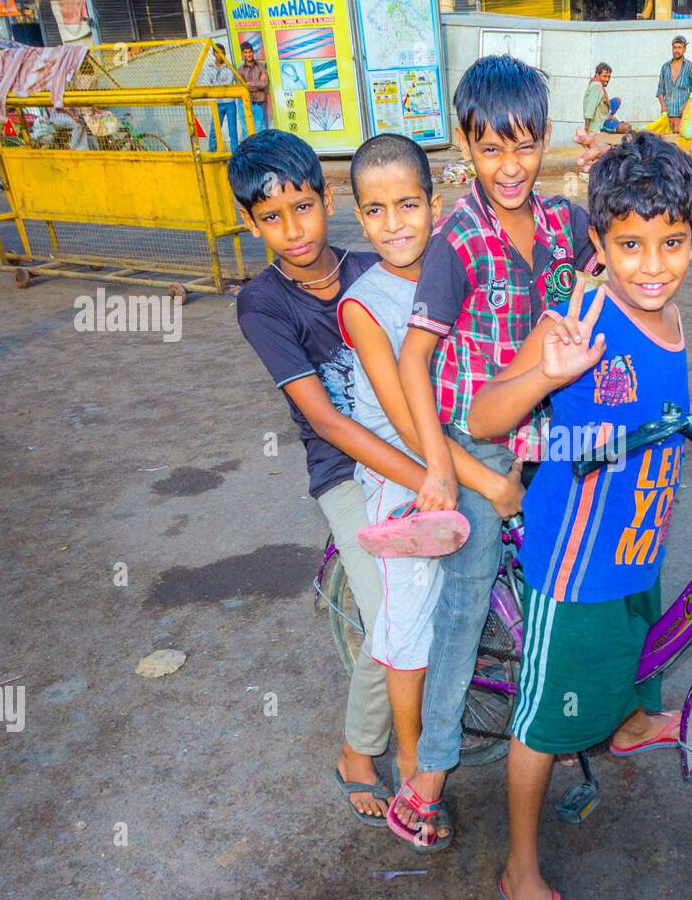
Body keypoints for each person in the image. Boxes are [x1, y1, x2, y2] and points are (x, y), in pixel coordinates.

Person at [466, 132, 692, 900]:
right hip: (576, 563)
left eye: (672, 243)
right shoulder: (582, 313)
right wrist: (547, 376)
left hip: (639, 543)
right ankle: (521, 869)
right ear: (600, 244)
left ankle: (625, 721)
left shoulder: (671, 312)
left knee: (637, 647)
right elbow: (486, 415)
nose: (652, 264)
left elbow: (656, 405)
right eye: (630, 244)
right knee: (543, 726)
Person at [394, 54, 600, 847]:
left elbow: (600, 293)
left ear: (545, 139)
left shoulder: (564, 223)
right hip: (470, 437)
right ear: (465, 144)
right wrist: (443, 468)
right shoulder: (457, 241)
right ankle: (430, 774)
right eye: (491, 149)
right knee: (465, 601)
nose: (509, 167)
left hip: (544, 435)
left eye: (524, 147)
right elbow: (414, 361)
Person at [233, 129, 433, 826]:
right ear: (249, 222)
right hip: (345, 470)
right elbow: (328, 421)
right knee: (392, 616)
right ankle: (358, 751)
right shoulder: (263, 303)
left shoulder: (369, 266)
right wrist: (432, 473)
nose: (293, 230)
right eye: (271, 217)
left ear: (328, 201)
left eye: (304, 207)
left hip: (413, 442)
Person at [336, 133, 525, 848]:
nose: (396, 224)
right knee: (411, 619)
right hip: (403, 472)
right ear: (359, 216)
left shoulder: (454, 259)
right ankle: (414, 762)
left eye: (409, 205)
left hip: (465, 447)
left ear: (434, 204)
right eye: (377, 211)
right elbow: (412, 425)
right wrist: (483, 481)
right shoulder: (364, 305)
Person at [656, 35, 692, 132]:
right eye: (674, 47)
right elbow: (660, 90)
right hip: (667, 114)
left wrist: (686, 105)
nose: (676, 50)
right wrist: (663, 106)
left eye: (679, 48)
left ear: (684, 49)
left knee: (679, 142)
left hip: (683, 115)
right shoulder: (665, 67)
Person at [582, 62, 629, 135]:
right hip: (600, 123)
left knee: (617, 100)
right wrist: (587, 129)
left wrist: (609, 115)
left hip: (603, 112)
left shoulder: (597, 84)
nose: (607, 79)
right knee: (626, 128)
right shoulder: (597, 86)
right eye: (604, 76)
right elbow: (589, 110)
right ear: (597, 75)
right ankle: (610, 125)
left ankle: (611, 117)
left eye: (609, 77)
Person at [240, 41, 269, 134]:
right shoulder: (240, 69)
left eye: (250, 52)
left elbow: (264, 84)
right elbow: (242, 88)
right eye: (246, 52)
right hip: (246, 103)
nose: (248, 54)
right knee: (248, 131)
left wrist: (249, 84)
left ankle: (263, 149)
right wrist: (258, 84)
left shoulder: (261, 66)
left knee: (261, 129)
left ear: (253, 52)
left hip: (259, 102)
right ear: (242, 54)